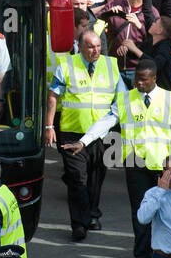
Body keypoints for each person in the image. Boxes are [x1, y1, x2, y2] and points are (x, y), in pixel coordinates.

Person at [73, 58, 171, 258]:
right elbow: (107, 120)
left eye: (143, 80)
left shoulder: (170, 100)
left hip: (162, 165)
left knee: (165, 211)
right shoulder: (126, 99)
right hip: (135, 163)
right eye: (136, 79)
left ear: (154, 78)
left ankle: (165, 255)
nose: (138, 83)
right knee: (141, 211)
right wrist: (85, 140)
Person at [46, 29, 123, 240]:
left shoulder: (111, 65)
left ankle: (92, 213)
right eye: (90, 46)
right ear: (79, 47)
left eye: (98, 46)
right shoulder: (67, 65)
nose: (95, 50)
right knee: (76, 178)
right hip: (72, 131)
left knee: (97, 175)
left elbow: (123, 98)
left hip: (103, 133)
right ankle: (79, 224)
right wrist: (49, 126)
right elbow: (53, 96)